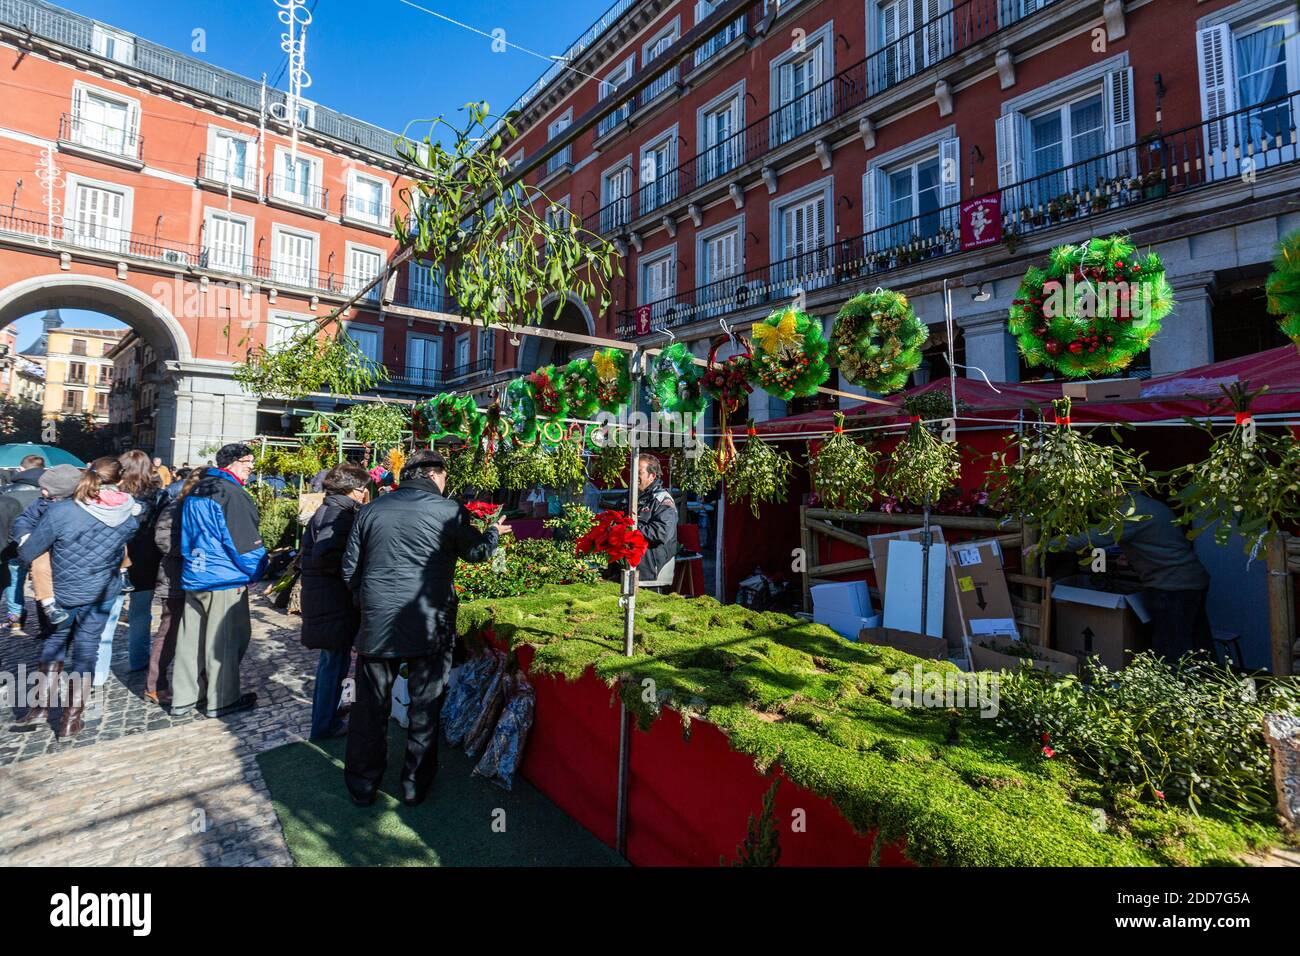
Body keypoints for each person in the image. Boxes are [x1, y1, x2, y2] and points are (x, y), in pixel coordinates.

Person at [341, 450, 505, 807]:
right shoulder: (449, 511)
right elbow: (476, 553)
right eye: (445, 477)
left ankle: (362, 785)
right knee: (425, 706)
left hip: (379, 622)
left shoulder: (370, 510)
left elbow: (350, 570)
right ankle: (415, 785)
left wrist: (368, 603)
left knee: (370, 708)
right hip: (430, 621)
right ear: (434, 476)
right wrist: (493, 533)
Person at [16, 458, 141, 739]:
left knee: (54, 645)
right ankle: (71, 721)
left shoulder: (62, 511)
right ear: (120, 480)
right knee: (86, 653)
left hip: (64, 591)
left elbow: (28, 553)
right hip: (101, 592)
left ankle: (40, 708)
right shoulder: (129, 516)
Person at [1059, 490, 1213, 664]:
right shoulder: (1151, 505)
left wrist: (1045, 545)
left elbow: (1096, 537)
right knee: (1199, 646)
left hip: (1172, 586)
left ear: (1116, 489)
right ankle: (1208, 682)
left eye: (1102, 491)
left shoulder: (1131, 511)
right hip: (1191, 579)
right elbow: (1161, 541)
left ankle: (1175, 686)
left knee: (1170, 649)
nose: (1100, 497)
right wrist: (1134, 554)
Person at [172, 443, 266, 719]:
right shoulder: (231, 493)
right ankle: (221, 699)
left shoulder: (197, 488)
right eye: (248, 461)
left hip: (196, 573)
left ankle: (185, 696)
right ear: (234, 462)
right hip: (223, 577)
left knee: (190, 641)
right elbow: (244, 542)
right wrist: (257, 571)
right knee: (225, 640)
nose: (251, 466)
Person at [300, 462, 370, 740]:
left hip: (329, 599)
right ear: (354, 491)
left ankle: (328, 715)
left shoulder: (333, 509)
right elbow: (327, 555)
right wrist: (354, 575)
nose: (366, 494)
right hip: (333, 601)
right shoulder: (336, 514)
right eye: (364, 489)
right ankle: (323, 725)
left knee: (334, 663)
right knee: (333, 663)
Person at [146, 468, 204, 706]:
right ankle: (155, 685)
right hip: (175, 578)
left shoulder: (202, 509)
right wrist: (194, 552)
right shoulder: (175, 507)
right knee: (169, 632)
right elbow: (162, 540)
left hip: (198, 579)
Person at [115, 450, 169, 681]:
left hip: (113, 556)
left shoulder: (111, 493)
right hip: (147, 556)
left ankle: (95, 670)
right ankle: (138, 659)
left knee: (108, 614)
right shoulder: (158, 495)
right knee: (140, 611)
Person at [1, 454, 46, 628]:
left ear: (21, 469)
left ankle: (16, 616)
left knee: (14, 579)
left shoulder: (8, 490)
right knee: (43, 579)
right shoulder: (50, 490)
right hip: (44, 544)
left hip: (15, 543)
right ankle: (46, 620)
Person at [634, 453, 678, 593]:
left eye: (639, 472)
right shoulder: (631, 496)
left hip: (652, 575)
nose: (634, 476)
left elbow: (661, 533)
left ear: (652, 476)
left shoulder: (663, 500)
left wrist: (630, 529)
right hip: (633, 571)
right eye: (633, 472)